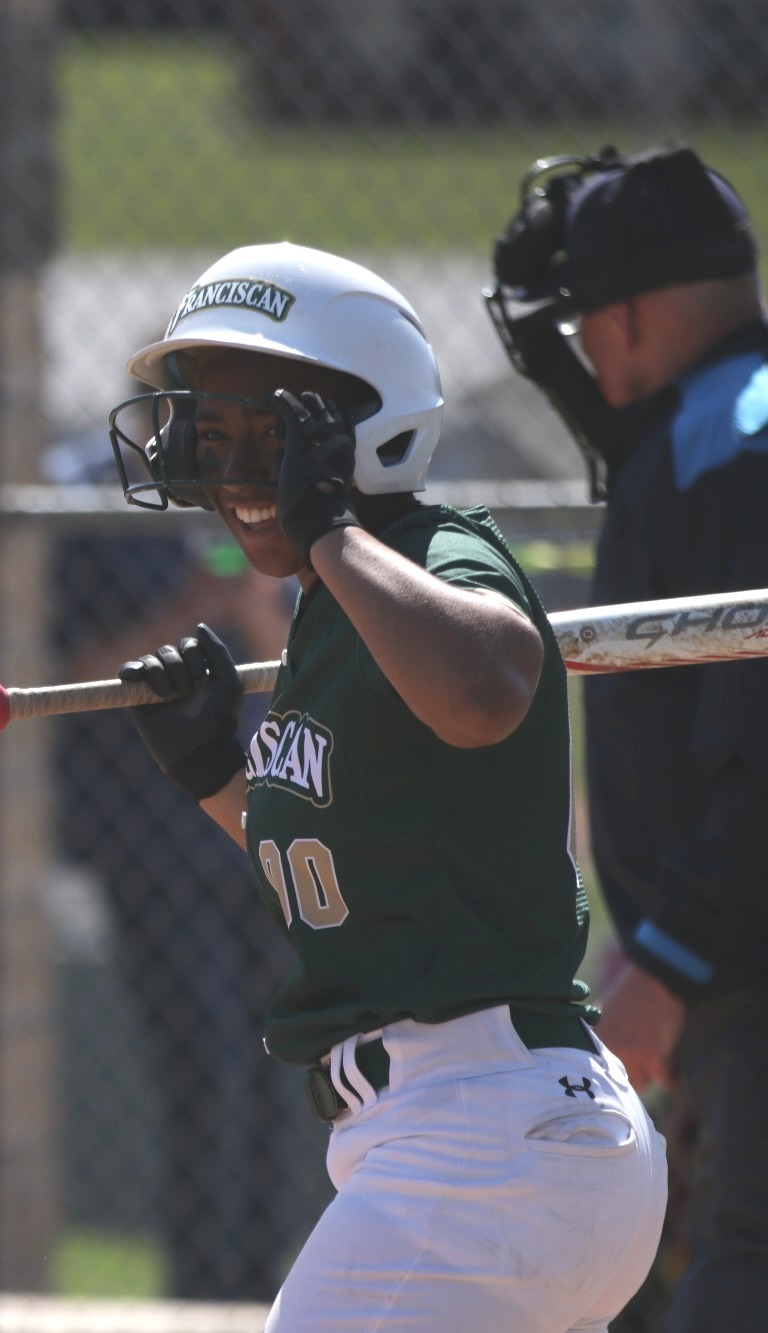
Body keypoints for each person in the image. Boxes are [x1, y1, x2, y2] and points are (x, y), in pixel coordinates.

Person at [107, 242, 666, 1329]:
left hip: (482, 1134)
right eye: (209, 438)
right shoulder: (337, 604)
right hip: (501, 1141)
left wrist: (331, 533)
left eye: (270, 439)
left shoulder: (427, 553)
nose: (232, 475)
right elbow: (348, 873)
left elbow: (487, 685)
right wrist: (215, 770)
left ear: (367, 429)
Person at [487, 142, 768, 1332]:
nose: (578, 348)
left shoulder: (731, 445)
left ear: (637, 314)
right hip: (727, 950)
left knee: (739, 1268)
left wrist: (669, 960)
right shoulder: (723, 421)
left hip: (743, 959)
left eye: (586, 319)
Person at [41, 429, 313, 1300]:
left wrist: (245, 600)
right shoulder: (86, 503)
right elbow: (70, 678)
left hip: (250, 820)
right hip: (146, 839)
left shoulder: (248, 498)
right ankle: (205, 1293)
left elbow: (288, 664)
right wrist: (190, 608)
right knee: (205, 1066)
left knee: (276, 1057)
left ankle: (261, 1288)